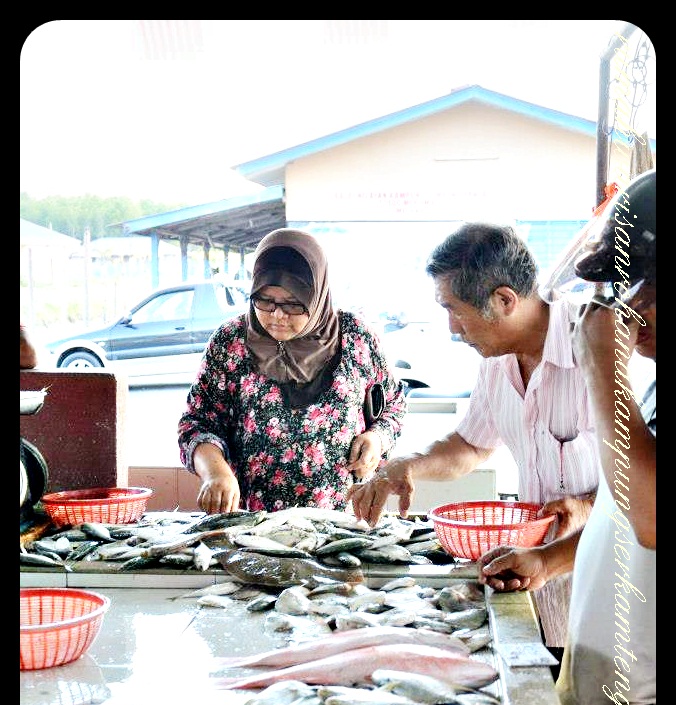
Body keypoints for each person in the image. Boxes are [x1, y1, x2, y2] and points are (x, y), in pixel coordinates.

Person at [476, 169, 656, 705]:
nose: (633, 306)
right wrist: (548, 561)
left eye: (647, 285)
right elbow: (624, 507)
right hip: (613, 694)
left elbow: (651, 516)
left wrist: (603, 368)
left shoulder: (625, 378)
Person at [348, 223, 599, 663]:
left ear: (504, 300)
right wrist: (411, 464)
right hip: (536, 584)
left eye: (455, 310)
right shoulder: (496, 360)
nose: (451, 327)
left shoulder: (597, 347)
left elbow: (645, 478)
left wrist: (588, 505)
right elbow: (471, 444)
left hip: (608, 594)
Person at [178, 228, 406, 513]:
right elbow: (196, 423)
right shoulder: (231, 341)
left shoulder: (355, 337)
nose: (277, 315)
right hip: (254, 525)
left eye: (293, 304)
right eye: (264, 300)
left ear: (317, 296)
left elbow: (393, 407)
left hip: (342, 523)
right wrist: (214, 472)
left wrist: (377, 439)